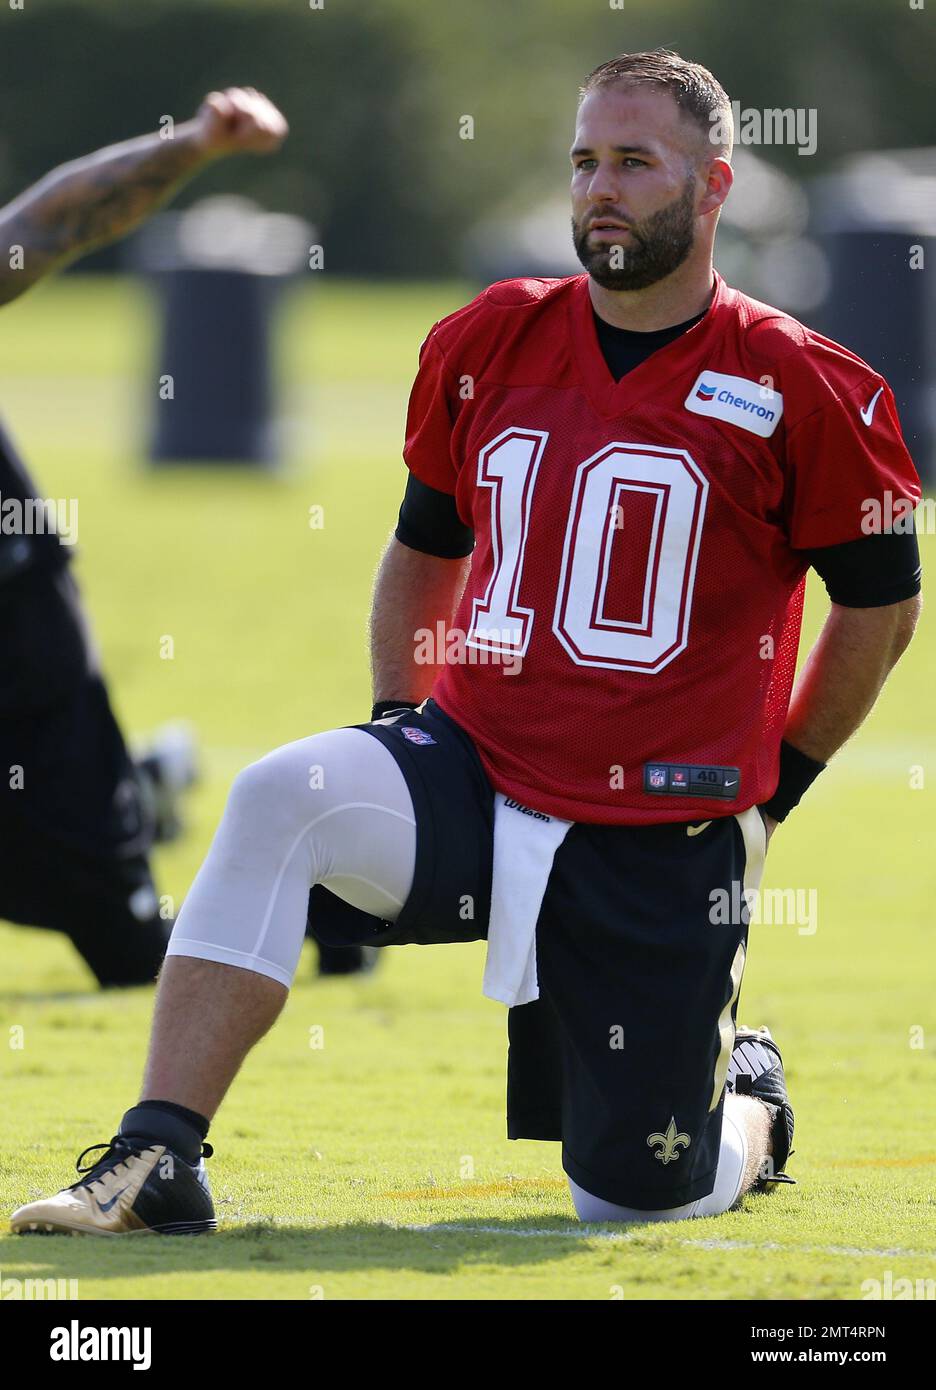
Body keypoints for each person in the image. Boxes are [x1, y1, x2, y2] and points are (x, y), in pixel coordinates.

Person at [11, 50, 922, 1236]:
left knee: (638, 1197)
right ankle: (159, 1155)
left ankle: (749, 1096)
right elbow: (422, 551)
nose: (602, 186)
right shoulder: (493, 337)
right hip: (479, 773)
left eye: (636, 162)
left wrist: (773, 787)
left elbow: (882, 611)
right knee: (284, 793)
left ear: (714, 187)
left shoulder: (805, 383)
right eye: (586, 160)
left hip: (660, 831)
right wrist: (404, 724)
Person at [0, 88, 288, 985]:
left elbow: (49, 223)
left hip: (18, 646)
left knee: (131, 954)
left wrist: (196, 145)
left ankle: (318, 902)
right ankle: (148, 780)